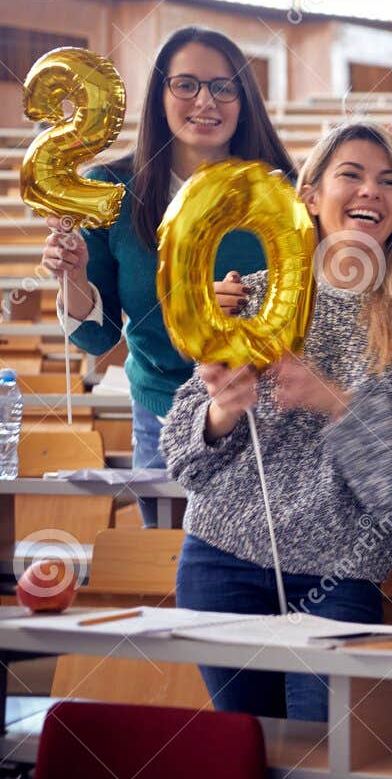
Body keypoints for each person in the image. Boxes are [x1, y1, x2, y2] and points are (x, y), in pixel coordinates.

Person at [165, 123, 392, 721]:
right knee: (244, 760)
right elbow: (180, 455)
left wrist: (337, 402)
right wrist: (223, 409)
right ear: (308, 196)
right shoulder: (248, 295)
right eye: (350, 175)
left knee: (318, 765)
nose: (370, 192)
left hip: (339, 579)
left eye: (388, 182)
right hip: (220, 561)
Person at [39, 26, 294, 526]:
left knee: (258, 580)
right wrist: (72, 276)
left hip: (265, 415)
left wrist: (240, 310)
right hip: (162, 409)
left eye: (224, 87)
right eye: (186, 85)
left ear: (244, 100)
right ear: (160, 95)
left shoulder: (277, 188)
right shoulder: (109, 189)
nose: (206, 100)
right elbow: (99, 336)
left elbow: (311, 308)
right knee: (168, 575)